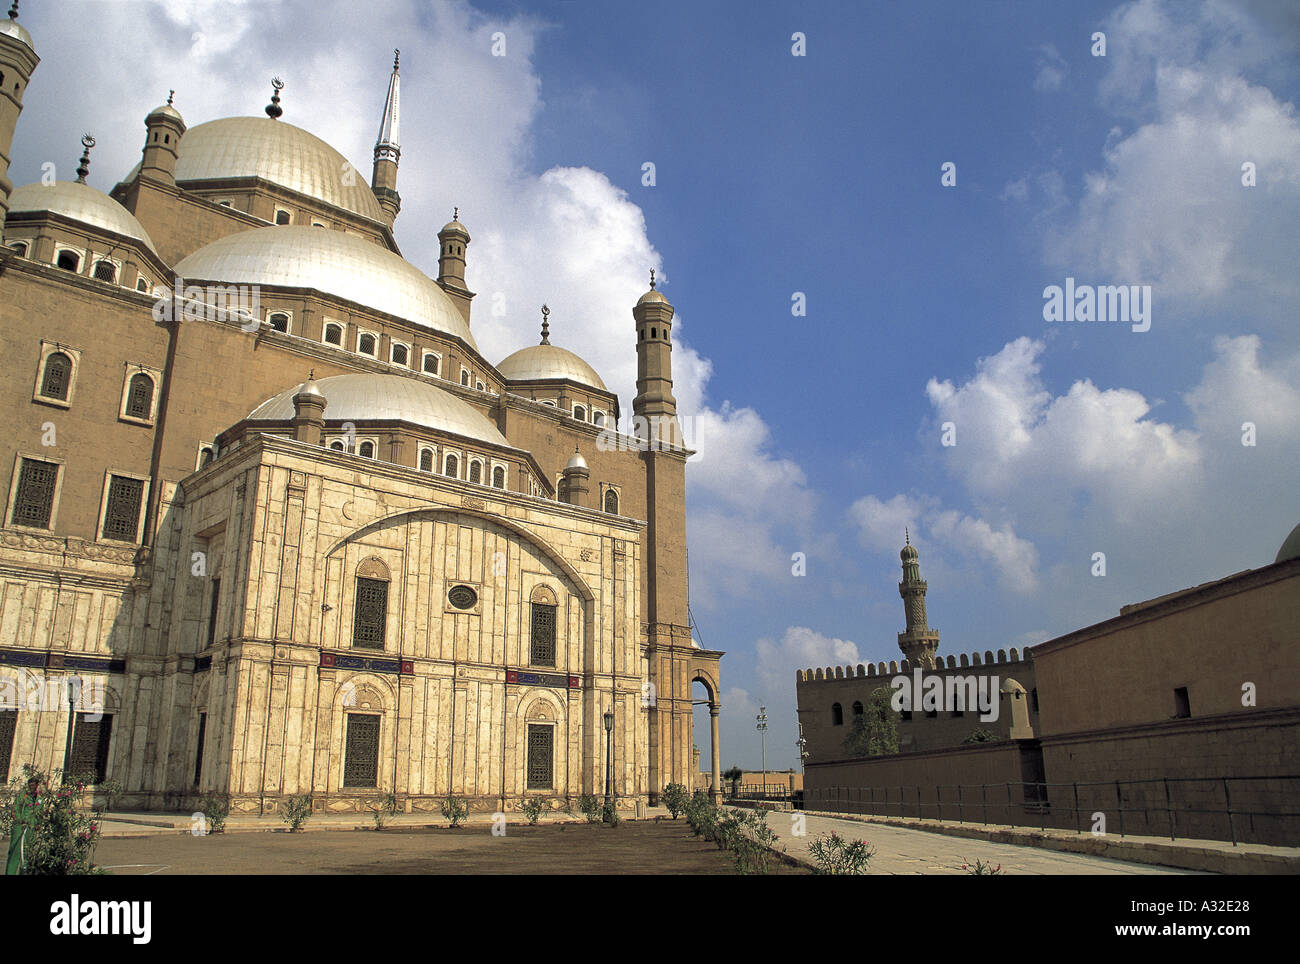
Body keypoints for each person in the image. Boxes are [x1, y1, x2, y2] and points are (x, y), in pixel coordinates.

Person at [5, 774, 41, 875]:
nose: (32, 787)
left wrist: (38, 824)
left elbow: (40, 814)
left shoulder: (40, 799)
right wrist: (21, 821)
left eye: (34, 785)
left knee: (27, 854)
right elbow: (15, 810)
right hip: (20, 828)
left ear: (37, 786)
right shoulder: (23, 796)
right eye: (30, 785)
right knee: (15, 853)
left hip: (31, 829)